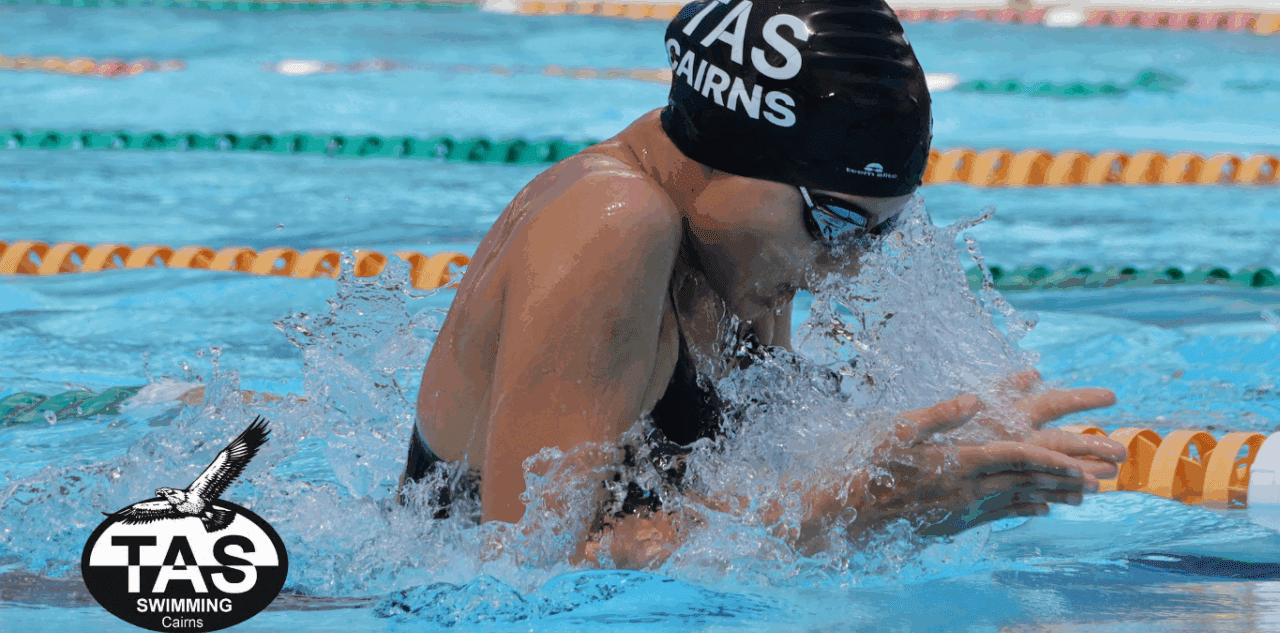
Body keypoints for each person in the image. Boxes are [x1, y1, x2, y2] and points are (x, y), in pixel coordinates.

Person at [401, 0, 1127, 567]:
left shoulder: (738, 260)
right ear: (737, 149)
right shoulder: (611, 220)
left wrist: (944, 462)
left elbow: (723, 493)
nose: (845, 265)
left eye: (877, 234)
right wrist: (845, 510)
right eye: (833, 221)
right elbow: (519, 573)